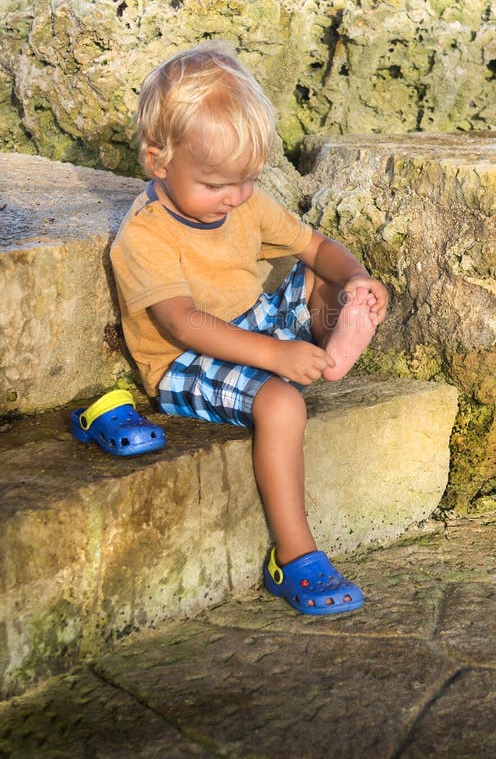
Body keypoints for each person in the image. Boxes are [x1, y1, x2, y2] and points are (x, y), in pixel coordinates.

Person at [110, 43, 388, 615]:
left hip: (248, 321)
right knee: (283, 404)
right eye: (216, 185)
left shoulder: (242, 202)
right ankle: (293, 555)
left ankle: (335, 344)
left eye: (247, 180)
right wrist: (275, 358)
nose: (235, 198)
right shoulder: (145, 237)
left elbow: (314, 245)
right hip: (184, 358)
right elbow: (183, 326)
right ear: (158, 160)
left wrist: (356, 278)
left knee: (324, 276)